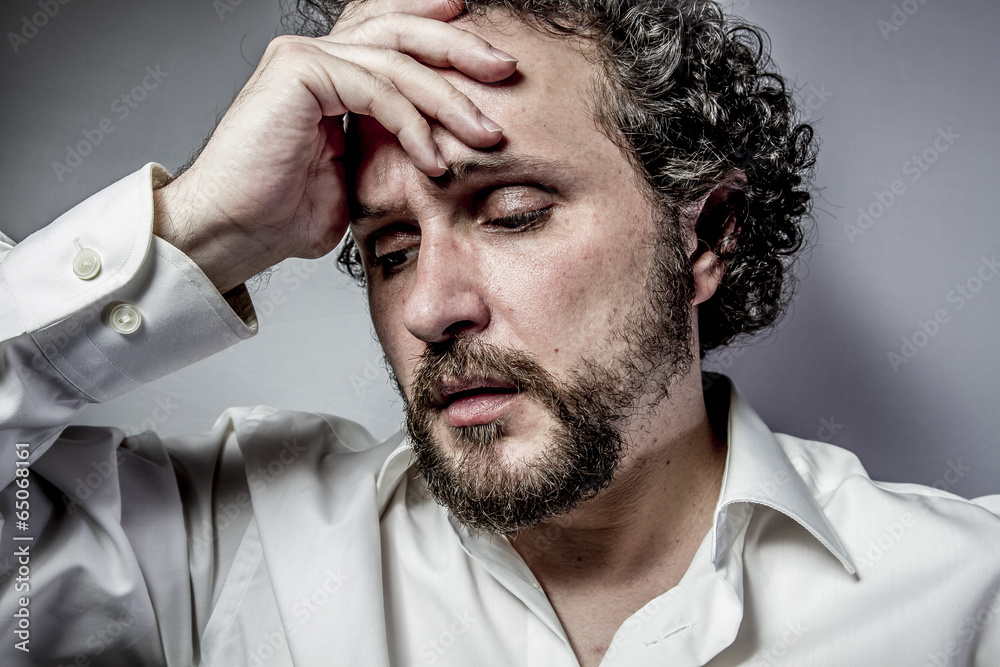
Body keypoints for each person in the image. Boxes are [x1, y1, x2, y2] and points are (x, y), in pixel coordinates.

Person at [1, 0, 998, 665]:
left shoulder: (965, 595)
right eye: (389, 247)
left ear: (709, 233)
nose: (431, 308)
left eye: (513, 211)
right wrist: (203, 227)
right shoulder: (221, 547)